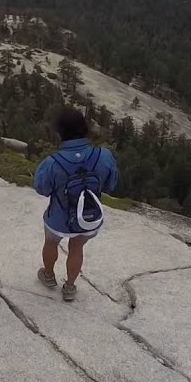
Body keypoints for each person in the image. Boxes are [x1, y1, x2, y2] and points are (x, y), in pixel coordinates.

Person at [33, 107, 119, 302]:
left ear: (59, 132)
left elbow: (41, 189)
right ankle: (70, 287)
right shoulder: (103, 155)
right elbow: (110, 185)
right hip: (88, 218)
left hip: (58, 218)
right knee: (77, 247)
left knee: (51, 242)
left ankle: (48, 275)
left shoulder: (52, 162)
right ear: (85, 128)